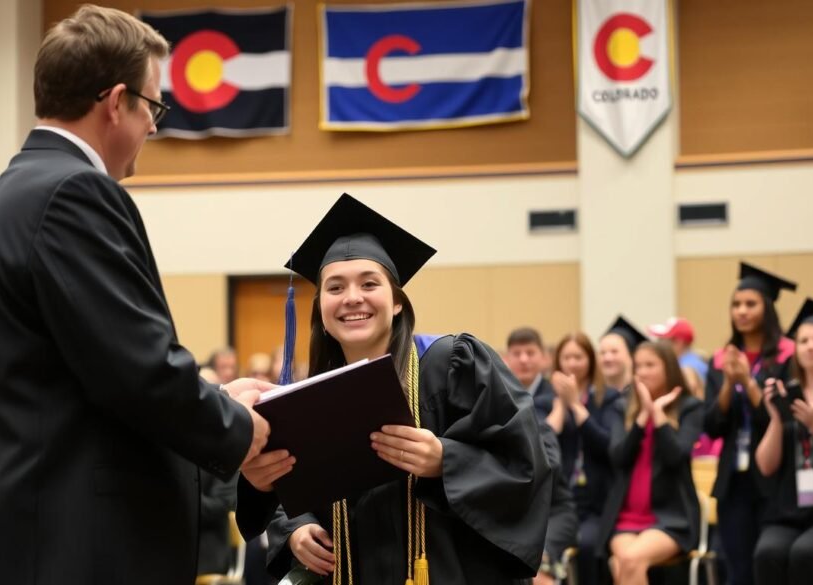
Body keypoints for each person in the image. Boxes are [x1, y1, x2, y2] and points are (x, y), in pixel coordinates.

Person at [0, 7, 272, 585]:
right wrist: (239, 427)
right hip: (62, 549)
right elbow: (140, 370)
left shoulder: (19, 188)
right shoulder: (74, 192)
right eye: (154, 107)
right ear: (117, 102)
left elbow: (87, 372)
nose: (154, 128)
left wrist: (217, 397)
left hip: (26, 537)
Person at [237, 193, 552, 583]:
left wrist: (446, 461)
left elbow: (525, 463)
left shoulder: (454, 364)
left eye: (369, 283)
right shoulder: (309, 400)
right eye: (335, 288)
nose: (352, 298)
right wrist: (296, 529)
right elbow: (287, 487)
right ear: (320, 308)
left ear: (398, 302)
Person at [703, 262, 796, 585]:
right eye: (736, 304)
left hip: (774, 478)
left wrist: (748, 382)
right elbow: (712, 425)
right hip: (734, 478)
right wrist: (729, 384)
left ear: (767, 308)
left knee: (769, 566)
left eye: (750, 304)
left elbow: (782, 420)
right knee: (737, 570)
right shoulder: (722, 358)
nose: (741, 311)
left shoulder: (787, 355)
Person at [753, 298, 813, 585]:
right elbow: (766, 466)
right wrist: (775, 418)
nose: (810, 346)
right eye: (803, 340)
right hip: (791, 511)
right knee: (767, 553)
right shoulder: (788, 397)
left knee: (805, 553)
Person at [599, 341, 703, 585]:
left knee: (628, 560)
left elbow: (676, 457)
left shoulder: (689, 407)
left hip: (671, 517)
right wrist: (642, 416)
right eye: (638, 366)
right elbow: (618, 458)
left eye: (650, 365)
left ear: (668, 368)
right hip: (626, 518)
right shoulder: (622, 407)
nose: (643, 372)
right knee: (622, 562)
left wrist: (657, 415)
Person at [546, 332, 626, 585]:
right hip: (559, 498)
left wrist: (576, 406)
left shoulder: (608, 398)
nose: (572, 363)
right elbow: (542, 443)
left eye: (578, 357)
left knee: (589, 545)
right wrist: (561, 405)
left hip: (597, 501)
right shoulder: (545, 399)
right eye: (566, 357)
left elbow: (608, 447)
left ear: (590, 360)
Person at [503, 327, 579, 584]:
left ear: (545, 357)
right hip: (515, 506)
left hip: (553, 505)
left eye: (530, 352)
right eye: (517, 353)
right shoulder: (500, 395)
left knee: (537, 567)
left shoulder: (557, 395)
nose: (524, 359)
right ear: (506, 359)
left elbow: (549, 457)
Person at [650, 317, 708, 383]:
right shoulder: (693, 360)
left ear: (679, 342)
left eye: (662, 340)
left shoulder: (687, 367)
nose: (659, 346)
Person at [600, 316, 648, 396]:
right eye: (602, 353)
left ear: (631, 356)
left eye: (614, 352)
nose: (607, 358)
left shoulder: (642, 394)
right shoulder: (593, 396)